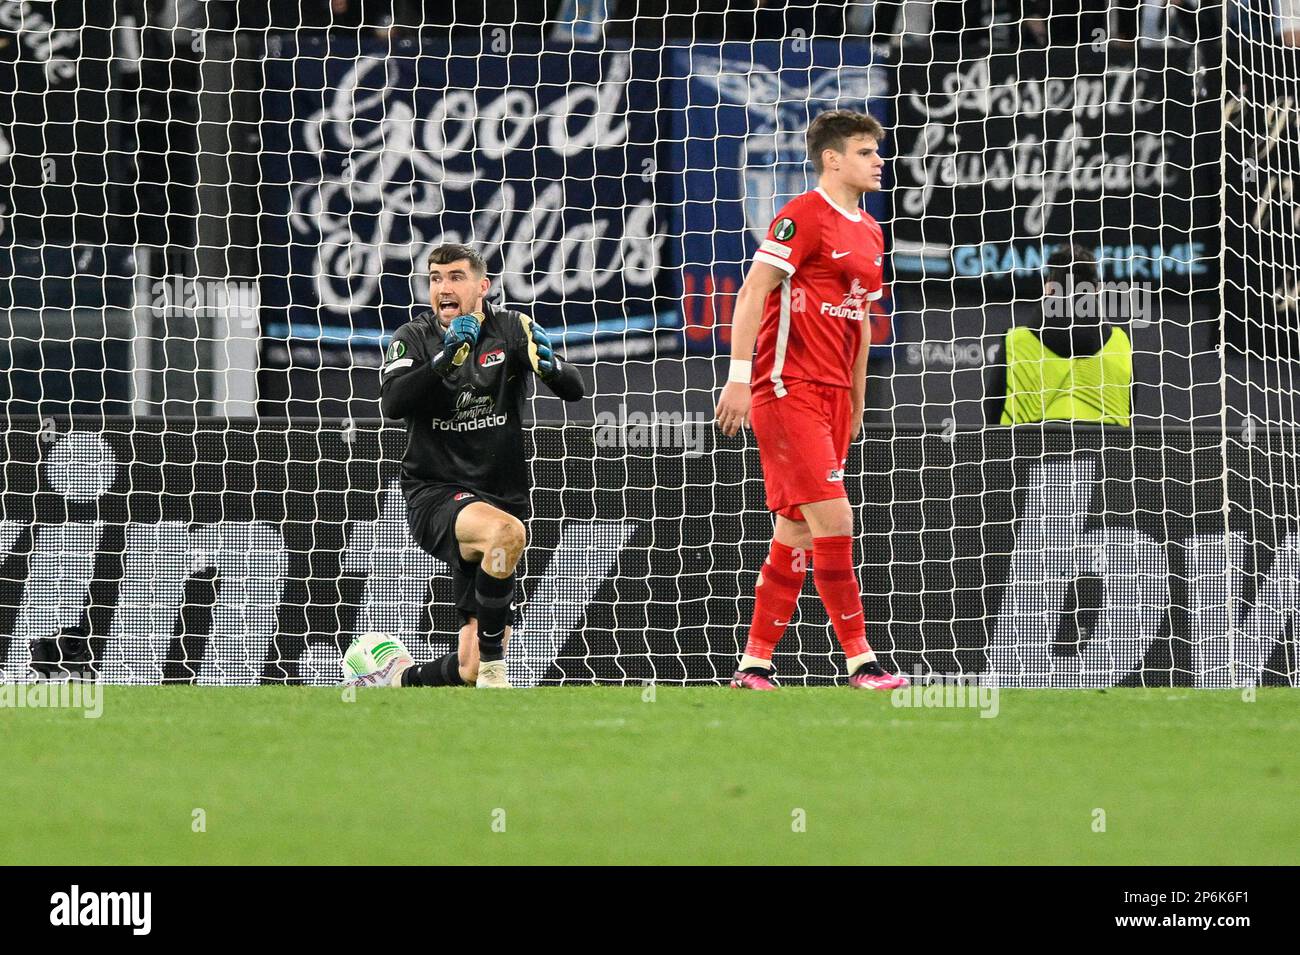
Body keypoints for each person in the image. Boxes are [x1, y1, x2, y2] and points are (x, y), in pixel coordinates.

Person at [714, 109, 909, 692]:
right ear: (832, 159)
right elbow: (753, 291)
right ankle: (861, 661)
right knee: (836, 519)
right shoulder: (802, 215)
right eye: (865, 152)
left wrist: (857, 401)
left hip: (833, 397)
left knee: (796, 532)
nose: (878, 160)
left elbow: (862, 324)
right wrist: (740, 377)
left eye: (876, 151)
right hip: (785, 387)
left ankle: (754, 665)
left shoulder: (870, 230)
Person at [344, 243, 586, 689]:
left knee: (467, 666)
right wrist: (443, 361)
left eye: (456, 277)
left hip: (499, 497)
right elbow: (393, 403)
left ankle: (396, 680)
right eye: (435, 278)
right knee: (506, 534)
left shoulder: (511, 329)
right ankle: (497, 671)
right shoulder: (414, 337)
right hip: (436, 493)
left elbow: (575, 389)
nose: (443, 288)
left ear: (482, 286)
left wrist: (552, 368)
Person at [984, 245, 1133, 427]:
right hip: (1105, 446)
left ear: (1049, 287)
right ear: (1096, 290)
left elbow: (992, 416)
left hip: (1028, 446)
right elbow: (1130, 412)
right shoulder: (1121, 345)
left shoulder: (1015, 344)